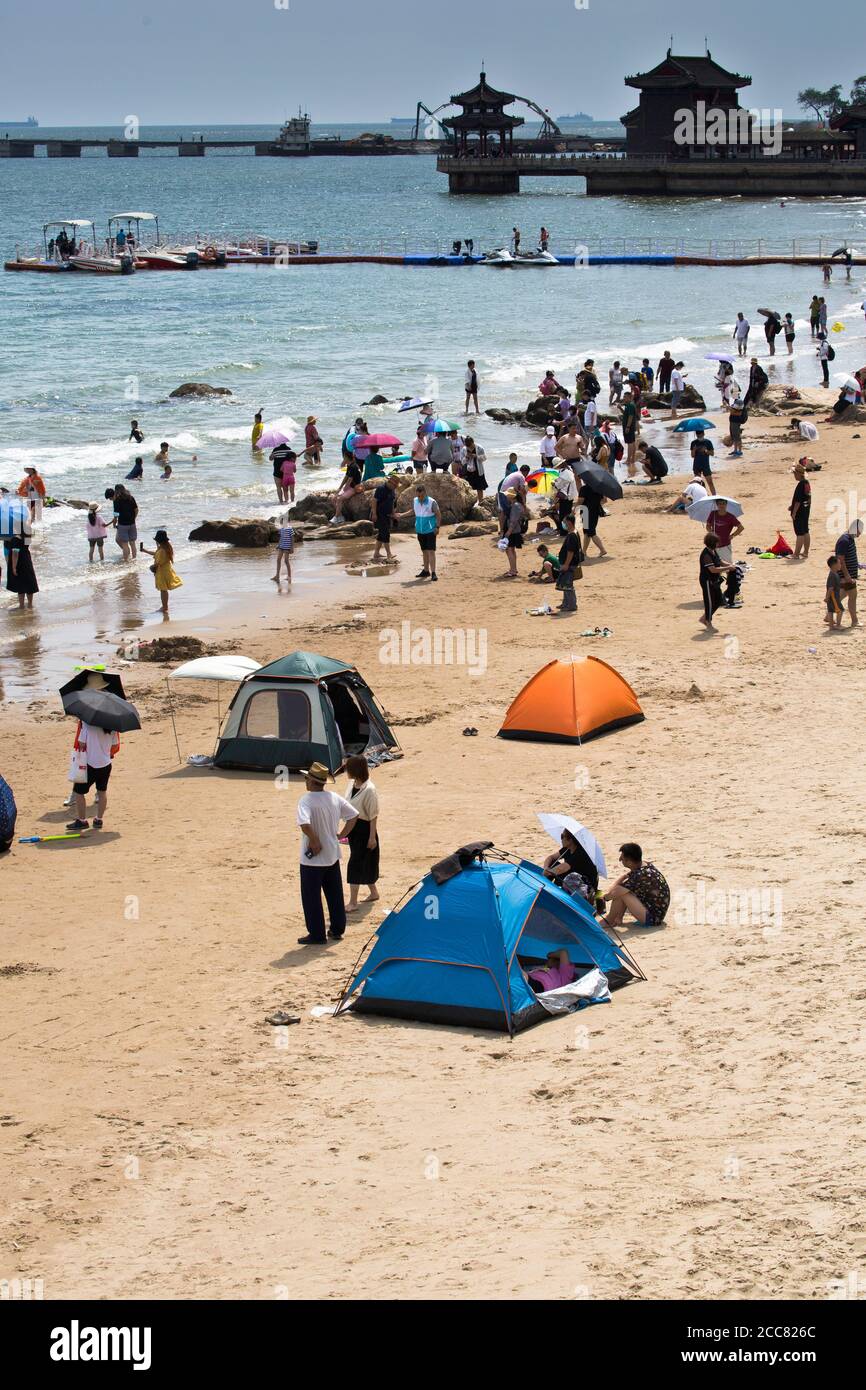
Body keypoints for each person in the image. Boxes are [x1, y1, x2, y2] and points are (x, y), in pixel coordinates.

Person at [296, 762, 358, 945]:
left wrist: (314, 841)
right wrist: (341, 835)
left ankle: (317, 934)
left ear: (311, 781)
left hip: (313, 859)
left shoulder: (306, 800)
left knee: (311, 897)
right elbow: (353, 816)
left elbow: (304, 824)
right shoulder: (333, 797)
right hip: (331, 854)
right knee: (334, 894)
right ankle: (337, 928)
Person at [66, 721, 120, 832]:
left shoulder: (87, 724)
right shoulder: (112, 727)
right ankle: (99, 819)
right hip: (105, 764)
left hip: (90, 764)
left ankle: (82, 820)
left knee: (79, 793)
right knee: (102, 792)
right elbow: (115, 745)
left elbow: (81, 743)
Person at [601, 843, 670, 929]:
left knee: (622, 893)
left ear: (629, 862)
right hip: (657, 911)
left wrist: (604, 898)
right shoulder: (645, 865)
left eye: (622, 858)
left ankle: (609, 920)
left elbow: (614, 892)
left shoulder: (639, 875)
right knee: (622, 891)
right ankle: (618, 918)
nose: (619, 860)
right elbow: (616, 888)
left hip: (653, 918)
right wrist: (622, 878)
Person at [344, 755, 380, 910]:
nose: (346, 771)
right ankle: (374, 892)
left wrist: (372, 837)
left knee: (355, 863)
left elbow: (373, 815)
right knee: (365, 861)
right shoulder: (352, 784)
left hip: (365, 830)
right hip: (353, 828)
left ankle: (353, 902)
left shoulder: (369, 789)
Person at [396, 482, 440, 581]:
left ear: (425, 493)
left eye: (421, 495)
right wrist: (401, 515)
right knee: (424, 551)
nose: (419, 497)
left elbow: (438, 514)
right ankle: (425, 571)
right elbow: (413, 511)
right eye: (418, 495)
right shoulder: (415, 501)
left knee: (431, 551)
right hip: (420, 531)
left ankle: (433, 573)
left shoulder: (432, 502)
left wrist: (437, 527)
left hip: (430, 530)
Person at [543, 828, 599, 895]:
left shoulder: (580, 853)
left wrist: (549, 872)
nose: (561, 839)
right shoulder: (567, 849)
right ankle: (545, 887)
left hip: (585, 884)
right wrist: (546, 868)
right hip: (573, 879)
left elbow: (562, 868)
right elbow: (551, 857)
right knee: (552, 863)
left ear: (570, 840)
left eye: (562, 836)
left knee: (557, 872)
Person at [140, 529, 182, 615]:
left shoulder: (162, 550)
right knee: (164, 590)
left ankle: (165, 607)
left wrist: (151, 567)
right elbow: (156, 554)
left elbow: (158, 563)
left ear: (158, 540)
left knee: (163, 590)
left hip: (162, 572)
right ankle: (165, 606)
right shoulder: (165, 548)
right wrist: (145, 551)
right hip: (166, 570)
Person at [698, 532, 734, 630]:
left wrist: (731, 565)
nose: (718, 544)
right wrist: (727, 569)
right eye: (717, 543)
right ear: (713, 543)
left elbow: (720, 561)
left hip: (715, 580)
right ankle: (708, 622)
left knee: (718, 600)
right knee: (709, 602)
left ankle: (704, 618)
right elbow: (713, 569)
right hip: (707, 581)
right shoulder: (706, 555)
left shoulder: (713, 551)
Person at [834, 519, 862, 626]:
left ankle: (828, 614)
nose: (860, 534)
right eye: (859, 531)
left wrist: (857, 565)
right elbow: (840, 559)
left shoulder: (849, 538)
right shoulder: (844, 540)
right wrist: (846, 575)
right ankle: (854, 621)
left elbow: (848, 556)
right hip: (846, 575)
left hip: (848, 574)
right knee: (853, 596)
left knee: (844, 594)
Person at [556, 513, 583, 613]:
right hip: (569, 563)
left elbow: (570, 552)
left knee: (568, 585)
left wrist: (566, 564)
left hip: (570, 564)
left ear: (569, 522)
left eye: (564, 522)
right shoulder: (573, 533)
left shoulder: (572, 535)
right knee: (564, 584)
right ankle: (565, 603)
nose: (563, 524)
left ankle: (571, 605)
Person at [370, 474, 399, 563]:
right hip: (379, 514)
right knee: (385, 533)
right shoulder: (381, 489)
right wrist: (374, 514)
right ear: (389, 482)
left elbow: (392, 502)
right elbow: (374, 501)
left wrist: (393, 514)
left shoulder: (392, 490)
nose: (395, 487)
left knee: (381, 534)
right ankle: (389, 554)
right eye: (394, 485)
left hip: (387, 515)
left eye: (396, 486)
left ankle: (376, 553)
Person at [706, 498, 743, 566]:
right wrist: (711, 532)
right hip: (713, 544)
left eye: (723, 503)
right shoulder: (713, 514)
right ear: (717, 504)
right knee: (715, 565)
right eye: (719, 503)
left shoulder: (730, 517)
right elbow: (708, 526)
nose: (721, 505)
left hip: (725, 544)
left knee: (728, 565)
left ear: (726, 504)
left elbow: (741, 528)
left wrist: (732, 535)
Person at [4, 533, 38, 609]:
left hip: (19, 563)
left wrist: (14, 567)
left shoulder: (16, 539)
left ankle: (21, 605)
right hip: (27, 559)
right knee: (29, 582)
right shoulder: (27, 536)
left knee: (20, 584)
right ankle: (30, 604)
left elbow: (15, 553)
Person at [330, 456, 363, 523]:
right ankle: (340, 516)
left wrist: (345, 488)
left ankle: (336, 517)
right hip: (349, 487)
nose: (343, 459)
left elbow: (350, 479)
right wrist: (340, 487)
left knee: (339, 499)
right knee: (333, 498)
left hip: (354, 488)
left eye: (344, 457)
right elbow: (346, 477)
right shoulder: (350, 466)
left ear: (347, 458)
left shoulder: (354, 467)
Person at [577, 481, 606, 558]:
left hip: (586, 512)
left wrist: (574, 507)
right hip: (596, 511)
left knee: (591, 532)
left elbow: (580, 501)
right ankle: (583, 552)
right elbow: (604, 500)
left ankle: (602, 550)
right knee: (587, 532)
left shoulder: (584, 488)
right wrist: (595, 503)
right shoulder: (598, 488)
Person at [789, 463, 811, 560]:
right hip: (806, 510)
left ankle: (796, 554)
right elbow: (805, 498)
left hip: (800, 512)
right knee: (806, 531)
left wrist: (794, 512)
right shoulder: (807, 483)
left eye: (794, 474)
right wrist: (792, 506)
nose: (794, 475)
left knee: (799, 533)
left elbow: (798, 500)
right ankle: (805, 552)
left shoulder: (800, 485)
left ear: (798, 474)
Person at [111, 484, 138, 560]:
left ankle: (126, 562)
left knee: (125, 544)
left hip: (122, 524)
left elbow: (116, 514)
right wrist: (134, 518)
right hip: (132, 523)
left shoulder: (117, 500)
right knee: (132, 543)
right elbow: (136, 510)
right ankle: (134, 559)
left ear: (116, 491)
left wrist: (114, 523)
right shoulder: (131, 498)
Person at [503, 491, 526, 577]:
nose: (507, 497)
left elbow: (513, 520)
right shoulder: (517, 504)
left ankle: (513, 570)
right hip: (515, 530)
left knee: (509, 550)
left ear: (513, 497)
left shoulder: (516, 505)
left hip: (513, 531)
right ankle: (513, 569)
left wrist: (508, 531)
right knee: (511, 549)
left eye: (508, 495)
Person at [552, 460, 577, 534]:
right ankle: (570, 529)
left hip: (566, 496)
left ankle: (564, 531)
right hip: (570, 495)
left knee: (563, 514)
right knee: (568, 513)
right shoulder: (568, 470)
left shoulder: (564, 473)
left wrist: (554, 483)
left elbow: (558, 485)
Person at [690, 430, 715, 496]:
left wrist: (706, 451)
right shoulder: (693, 443)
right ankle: (702, 496)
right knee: (698, 484)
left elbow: (712, 453)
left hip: (705, 465)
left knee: (710, 482)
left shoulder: (708, 442)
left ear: (703, 434)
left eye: (700, 434)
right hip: (696, 465)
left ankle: (715, 497)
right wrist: (694, 450)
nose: (699, 436)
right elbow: (692, 455)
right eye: (697, 435)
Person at [462, 437, 487, 504]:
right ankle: (469, 504)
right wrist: (466, 457)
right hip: (468, 472)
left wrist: (476, 456)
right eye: (468, 446)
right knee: (468, 489)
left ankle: (480, 502)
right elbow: (462, 462)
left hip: (478, 471)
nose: (469, 447)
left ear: (473, 442)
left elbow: (484, 458)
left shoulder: (479, 448)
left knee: (480, 488)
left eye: (470, 446)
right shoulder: (464, 449)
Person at [620, 389, 638, 473]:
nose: (624, 398)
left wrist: (627, 427)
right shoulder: (629, 405)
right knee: (632, 442)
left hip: (629, 426)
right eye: (623, 397)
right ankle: (632, 459)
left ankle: (628, 459)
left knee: (630, 443)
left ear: (629, 398)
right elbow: (626, 414)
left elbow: (630, 417)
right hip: (630, 426)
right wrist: (620, 408)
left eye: (625, 397)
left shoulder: (630, 405)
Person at [272, 517, 294, 583]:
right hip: (281, 547)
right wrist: (278, 545)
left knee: (286, 561)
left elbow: (292, 538)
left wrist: (292, 547)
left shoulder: (290, 529)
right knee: (278, 560)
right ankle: (277, 576)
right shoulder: (281, 529)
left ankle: (289, 576)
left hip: (287, 547)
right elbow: (281, 538)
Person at [825, 555, 844, 630]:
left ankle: (831, 626)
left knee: (830, 610)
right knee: (840, 610)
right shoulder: (833, 575)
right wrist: (827, 597)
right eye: (839, 563)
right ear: (834, 565)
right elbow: (830, 588)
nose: (840, 565)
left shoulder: (833, 574)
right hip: (834, 597)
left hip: (831, 597)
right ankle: (838, 625)